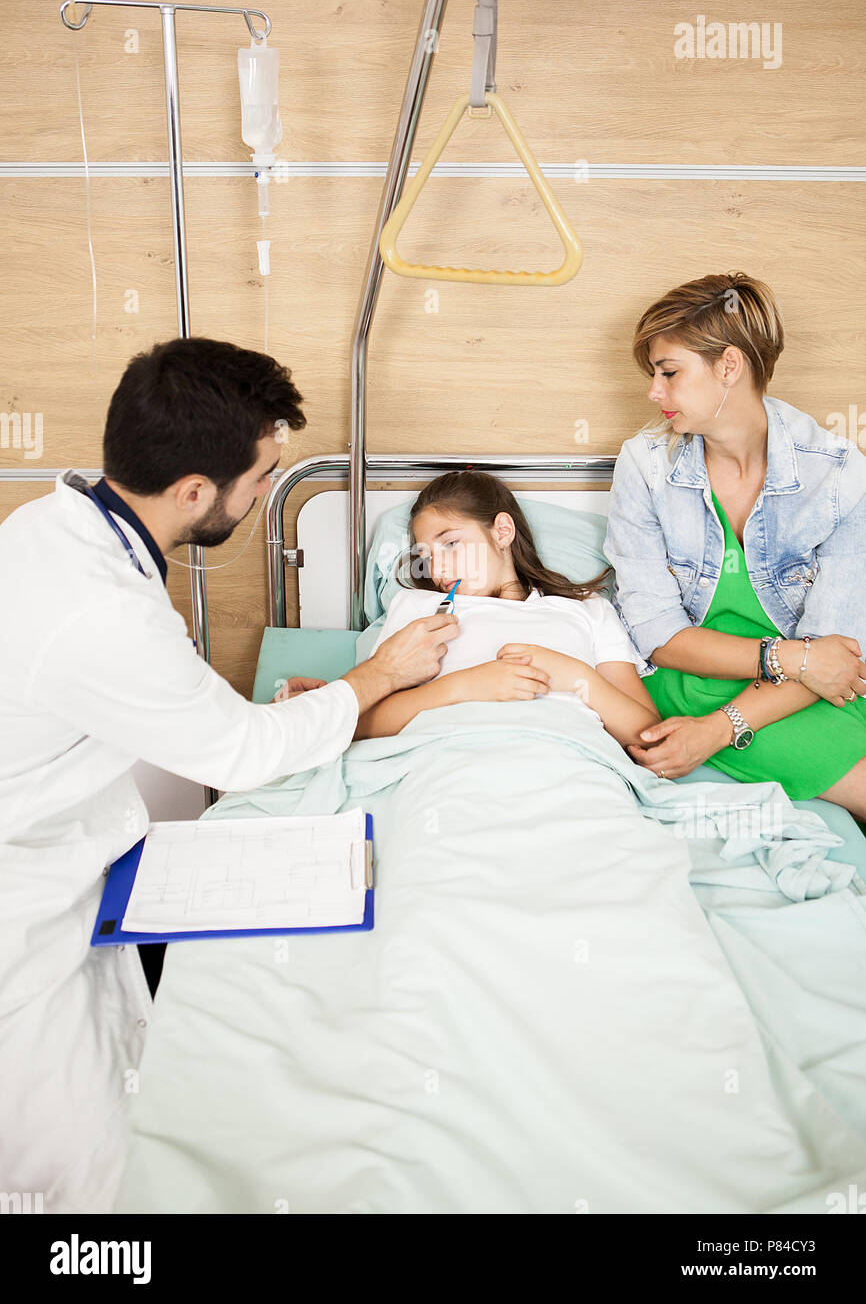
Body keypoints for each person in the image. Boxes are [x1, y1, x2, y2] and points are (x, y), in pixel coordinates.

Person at [0, 336, 459, 1212]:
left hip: (64, 854)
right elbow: (242, 750)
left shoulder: (52, 524)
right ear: (194, 492)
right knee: (78, 1176)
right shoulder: (102, 612)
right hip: (19, 903)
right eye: (262, 479)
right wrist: (376, 676)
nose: (265, 494)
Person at [602, 272, 866, 821]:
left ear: (728, 365)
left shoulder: (841, 477)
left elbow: (838, 657)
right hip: (693, 681)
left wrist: (719, 733)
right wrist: (785, 657)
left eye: (669, 372)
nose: (654, 392)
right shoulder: (645, 465)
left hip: (801, 692)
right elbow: (657, 632)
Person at [353, 470, 660, 748]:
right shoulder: (418, 608)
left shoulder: (588, 610)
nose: (437, 570)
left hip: (570, 762)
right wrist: (464, 686)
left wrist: (577, 676)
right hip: (446, 760)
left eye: (450, 544)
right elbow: (357, 724)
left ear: (502, 532)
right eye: (427, 557)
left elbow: (650, 737)